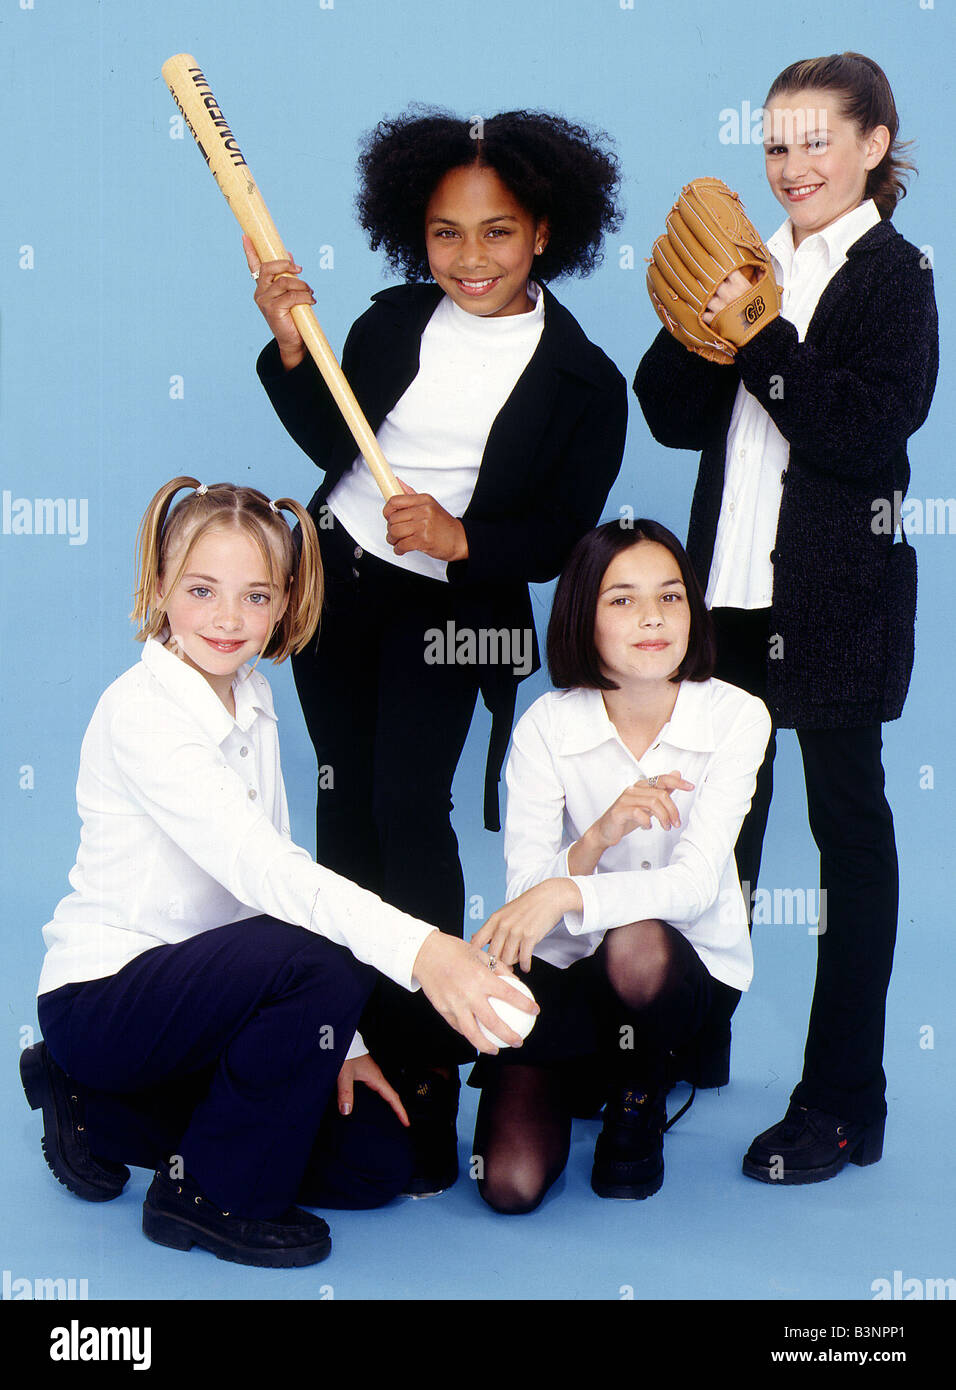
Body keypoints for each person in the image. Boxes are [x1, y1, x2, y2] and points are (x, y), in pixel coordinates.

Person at [243, 108, 627, 1194]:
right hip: (338, 574)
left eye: (497, 233)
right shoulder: (387, 321)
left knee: (409, 808)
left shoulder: (584, 383)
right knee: (341, 805)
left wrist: (462, 541)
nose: (469, 259)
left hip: (451, 611)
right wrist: (287, 342)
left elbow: (560, 533)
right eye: (445, 234)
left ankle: (422, 1070)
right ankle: (341, 1049)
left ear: (544, 231)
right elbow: (334, 437)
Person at [19, 477, 536, 1267]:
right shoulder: (144, 713)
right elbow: (271, 876)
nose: (228, 620)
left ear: (286, 599)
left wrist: (349, 1044)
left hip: (207, 1013)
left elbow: (275, 906)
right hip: (108, 1002)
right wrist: (428, 950)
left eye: (255, 596)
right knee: (322, 950)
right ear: (161, 586)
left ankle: (95, 1113)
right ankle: (206, 1197)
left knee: (375, 1162)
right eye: (201, 590)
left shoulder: (251, 697)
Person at [633, 53, 938, 1183]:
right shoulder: (749, 259)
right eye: (774, 142)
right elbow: (666, 416)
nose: (792, 162)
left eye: (815, 139)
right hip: (728, 600)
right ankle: (683, 1042)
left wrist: (759, 333)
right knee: (716, 837)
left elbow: (859, 433)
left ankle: (844, 1100)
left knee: (847, 838)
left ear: (871, 144)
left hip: (837, 604)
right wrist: (698, 318)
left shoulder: (892, 277)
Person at [467, 520, 771, 1212]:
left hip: (676, 969)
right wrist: (598, 834)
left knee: (638, 942)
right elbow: (524, 901)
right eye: (623, 601)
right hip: (570, 968)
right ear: (584, 616)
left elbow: (692, 890)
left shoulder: (736, 716)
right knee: (510, 1184)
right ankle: (588, 1065)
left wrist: (567, 890)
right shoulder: (547, 723)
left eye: (670, 598)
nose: (653, 619)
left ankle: (639, 1090)